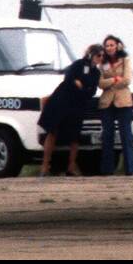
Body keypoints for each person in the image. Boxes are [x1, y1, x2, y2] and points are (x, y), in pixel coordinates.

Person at [39, 44, 103, 177]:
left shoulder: (96, 73)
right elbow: (68, 79)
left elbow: (91, 91)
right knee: (52, 131)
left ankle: (71, 166)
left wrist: (81, 86)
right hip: (62, 100)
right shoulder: (78, 64)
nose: (100, 58)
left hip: (78, 104)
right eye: (98, 55)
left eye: (103, 56)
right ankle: (45, 165)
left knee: (75, 136)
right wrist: (79, 85)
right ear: (91, 54)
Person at [98, 35, 133, 176]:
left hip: (123, 101)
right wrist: (114, 79)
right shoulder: (102, 63)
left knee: (126, 136)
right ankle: (107, 169)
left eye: (111, 45)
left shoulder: (125, 60)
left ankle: (130, 169)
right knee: (107, 136)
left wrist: (111, 81)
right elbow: (101, 83)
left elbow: (127, 80)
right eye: (107, 46)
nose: (109, 48)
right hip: (107, 102)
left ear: (118, 45)